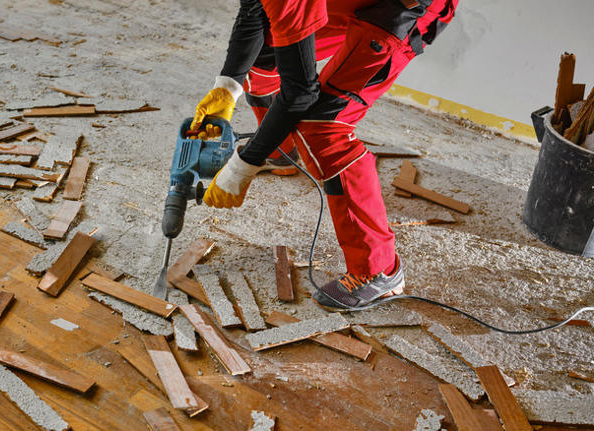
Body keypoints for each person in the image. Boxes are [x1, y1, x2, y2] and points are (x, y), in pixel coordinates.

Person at [191, 0, 458, 308]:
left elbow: (300, 94)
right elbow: (256, 10)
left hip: (400, 7)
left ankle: (379, 272)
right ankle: (281, 150)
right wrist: (227, 85)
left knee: (322, 127)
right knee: (265, 58)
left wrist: (244, 164)